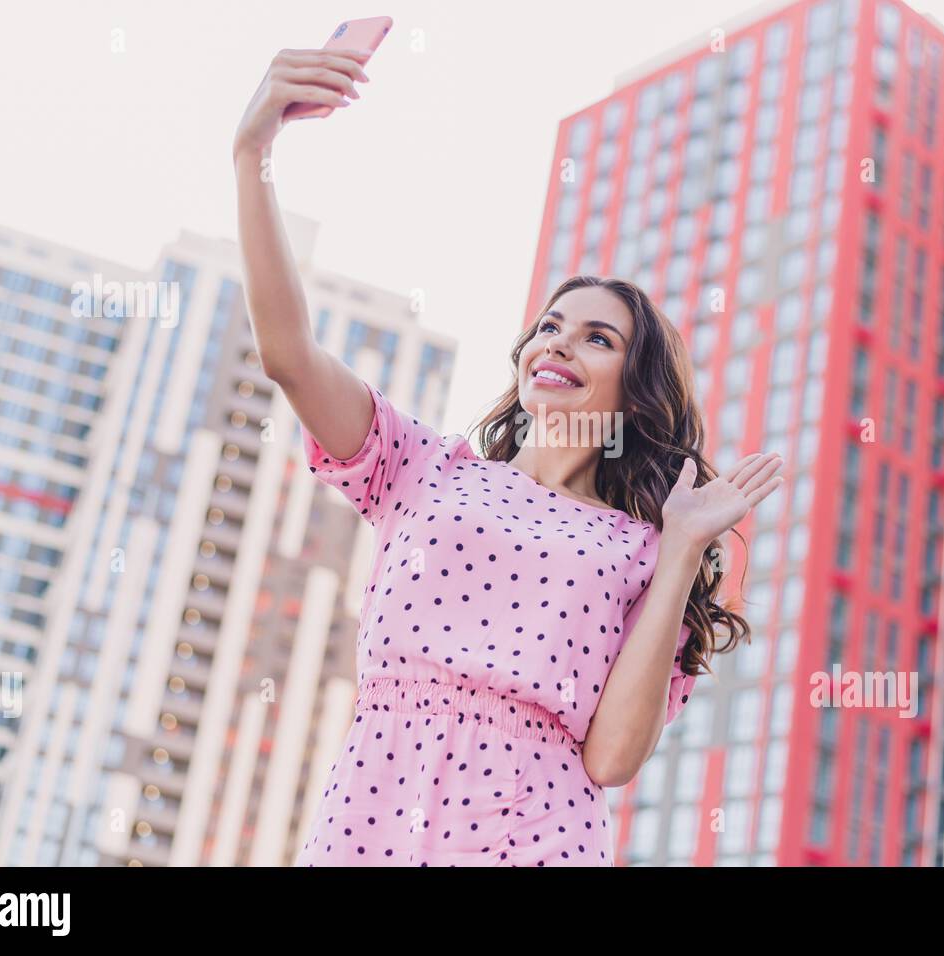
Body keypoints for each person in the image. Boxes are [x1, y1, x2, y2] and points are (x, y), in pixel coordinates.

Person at [233, 46, 783, 866]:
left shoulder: (645, 547)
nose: (559, 343)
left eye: (599, 338)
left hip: (537, 836)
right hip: (371, 824)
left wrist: (680, 556)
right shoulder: (423, 467)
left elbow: (611, 760)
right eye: (552, 326)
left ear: (635, 393)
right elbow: (288, 354)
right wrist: (253, 155)